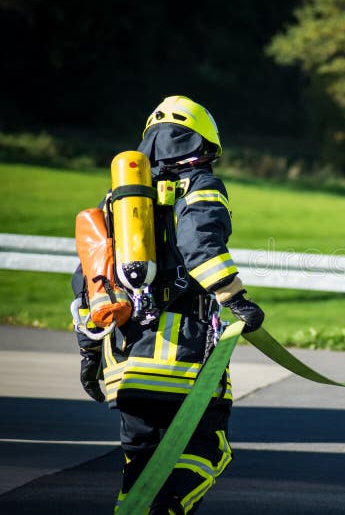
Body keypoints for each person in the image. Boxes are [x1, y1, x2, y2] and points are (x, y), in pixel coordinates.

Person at [71, 95, 265, 514]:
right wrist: (236, 299)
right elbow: (200, 246)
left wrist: (90, 356)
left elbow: (88, 279)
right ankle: (168, 508)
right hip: (182, 358)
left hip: (123, 360)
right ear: (203, 144)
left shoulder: (119, 204)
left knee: (140, 463)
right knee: (207, 450)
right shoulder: (200, 186)